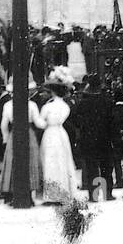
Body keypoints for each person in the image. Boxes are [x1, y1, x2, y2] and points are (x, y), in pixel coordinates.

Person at [71, 74, 116, 201]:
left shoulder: (83, 103)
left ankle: (94, 194)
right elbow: (112, 121)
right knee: (106, 167)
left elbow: (76, 120)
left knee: (92, 168)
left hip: (89, 139)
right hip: (105, 138)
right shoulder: (107, 102)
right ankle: (108, 193)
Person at [32, 75, 76, 205]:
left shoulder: (48, 107)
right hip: (61, 134)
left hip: (50, 134)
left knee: (49, 162)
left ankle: (51, 195)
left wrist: (37, 119)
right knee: (62, 162)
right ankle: (64, 192)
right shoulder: (65, 106)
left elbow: (41, 123)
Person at [0, 83, 43, 204]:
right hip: (29, 133)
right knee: (30, 161)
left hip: (14, 134)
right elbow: (38, 122)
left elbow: (3, 125)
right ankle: (29, 194)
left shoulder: (8, 105)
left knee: (13, 161)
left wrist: (5, 138)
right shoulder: (32, 105)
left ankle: (13, 193)